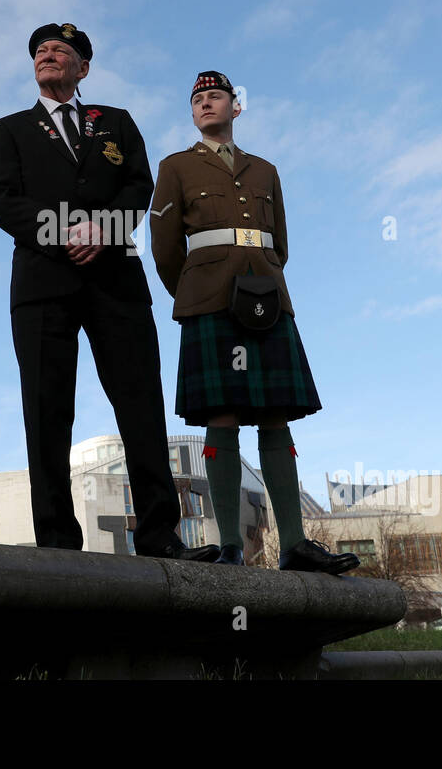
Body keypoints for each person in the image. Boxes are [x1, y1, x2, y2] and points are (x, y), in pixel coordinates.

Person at [0, 24, 219, 562]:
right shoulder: (11, 129)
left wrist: (105, 229)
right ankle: (58, 543)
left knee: (140, 403)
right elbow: (2, 201)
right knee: (46, 409)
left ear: (82, 68)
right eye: (41, 50)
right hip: (43, 284)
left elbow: (140, 187)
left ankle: (161, 536)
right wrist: (65, 231)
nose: (48, 55)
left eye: (60, 51)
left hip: (116, 280)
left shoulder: (115, 123)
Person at [150, 71, 360, 573]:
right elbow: (163, 244)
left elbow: (280, 244)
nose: (205, 103)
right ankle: (229, 545)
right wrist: (196, 288)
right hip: (209, 300)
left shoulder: (266, 170)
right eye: (197, 98)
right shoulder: (174, 166)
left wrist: (260, 282)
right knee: (220, 413)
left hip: (266, 297)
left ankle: (294, 545)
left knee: (275, 413)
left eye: (215, 96)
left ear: (235, 107)